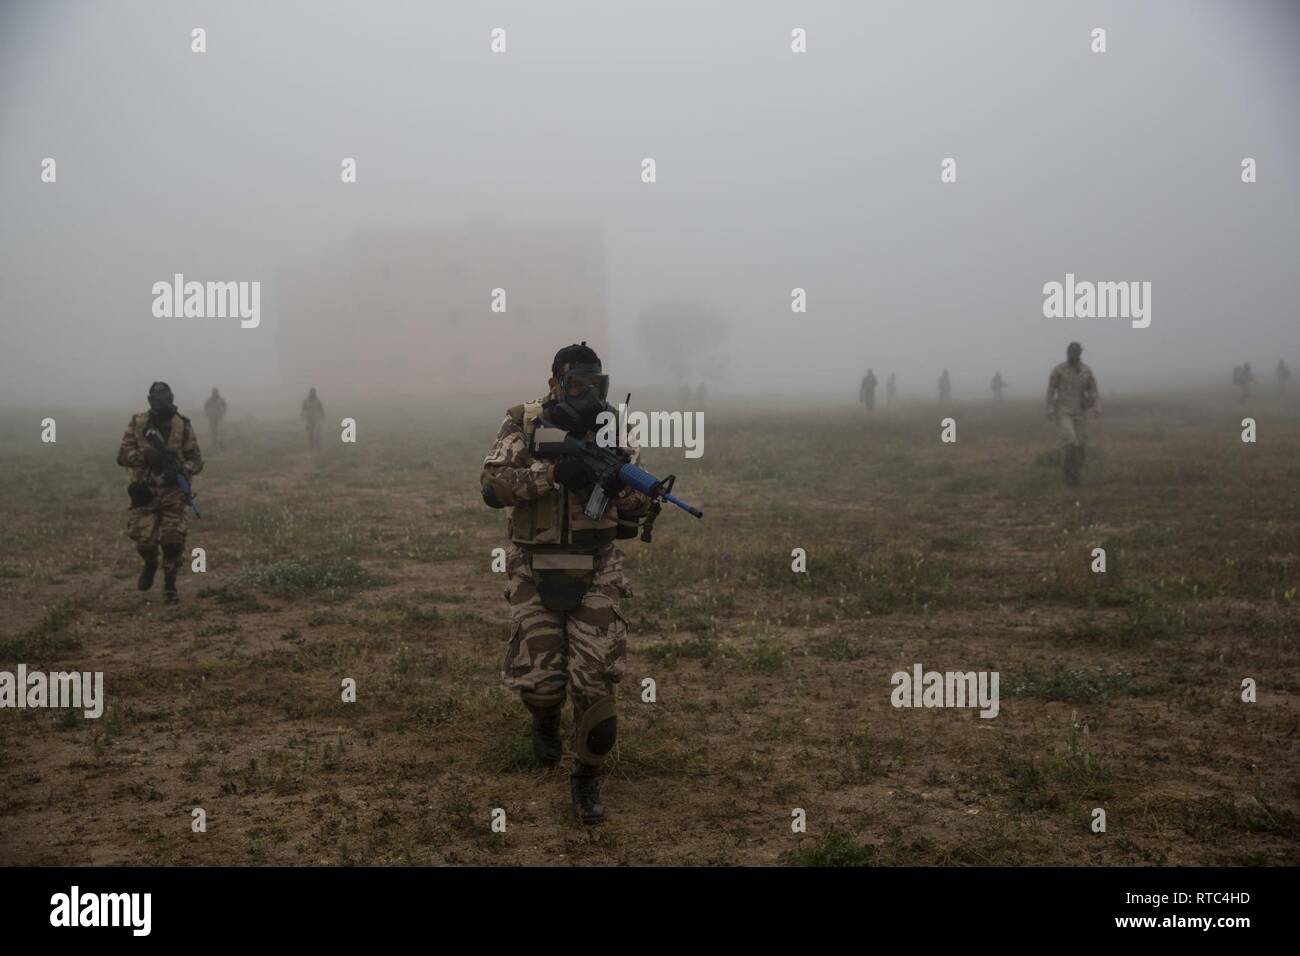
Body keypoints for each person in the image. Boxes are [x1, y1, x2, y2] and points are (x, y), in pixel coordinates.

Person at [480, 342, 653, 824]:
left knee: (594, 681)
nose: (588, 395)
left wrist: (629, 489)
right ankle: (544, 717)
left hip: (596, 566)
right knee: (541, 682)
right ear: (555, 381)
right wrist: (553, 473)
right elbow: (492, 486)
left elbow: (633, 511)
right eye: (578, 384)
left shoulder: (614, 430)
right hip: (533, 566)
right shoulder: (524, 422)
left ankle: (586, 780)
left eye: (596, 385)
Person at [116, 382, 203, 602]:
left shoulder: (182, 425)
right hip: (145, 491)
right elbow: (122, 456)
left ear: (172, 398)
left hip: (173, 491)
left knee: (173, 541)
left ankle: (170, 585)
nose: (161, 403)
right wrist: (146, 456)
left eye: (165, 398)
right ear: (149, 401)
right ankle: (150, 563)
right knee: (144, 541)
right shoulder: (138, 422)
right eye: (157, 399)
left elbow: (196, 460)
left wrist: (182, 470)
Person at [1045, 342, 1100, 486]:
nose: (1073, 355)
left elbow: (1093, 390)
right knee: (1071, 442)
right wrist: (1050, 408)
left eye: (1076, 352)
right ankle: (1068, 474)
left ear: (1080, 354)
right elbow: (1051, 390)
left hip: (1080, 413)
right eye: (1071, 352)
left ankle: (1076, 475)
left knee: (1081, 446)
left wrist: (1096, 407)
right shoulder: (1059, 370)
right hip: (1063, 412)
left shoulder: (1086, 371)